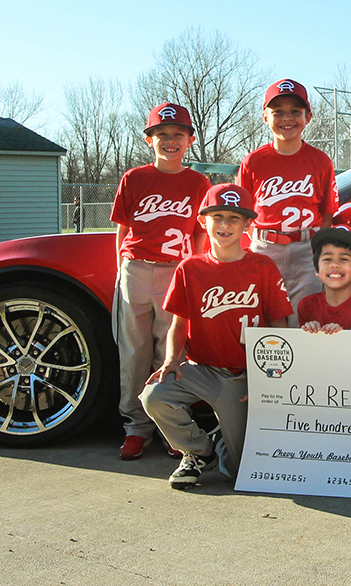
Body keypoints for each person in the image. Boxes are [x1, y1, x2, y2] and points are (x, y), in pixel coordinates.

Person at [140, 183, 293, 490]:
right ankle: (198, 451)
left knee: (240, 475)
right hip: (203, 369)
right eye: (218, 216)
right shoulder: (190, 268)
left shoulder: (262, 265)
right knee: (154, 396)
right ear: (202, 221)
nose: (225, 224)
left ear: (248, 224)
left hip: (244, 375)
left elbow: (279, 325)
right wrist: (171, 359)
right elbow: (178, 325)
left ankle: (224, 438)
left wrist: (269, 378)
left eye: (234, 218)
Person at [109, 102, 212, 461]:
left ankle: (170, 425)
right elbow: (122, 229)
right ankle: (136, 427)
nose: (170, 141)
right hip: (136, 268)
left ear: (190, 140)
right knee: (133, 353)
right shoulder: (134, 178)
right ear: (149, 139)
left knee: (171, 352)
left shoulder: (199, 182)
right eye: (162, 135)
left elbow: (201, 233)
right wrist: (120, 268)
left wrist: (194, 270)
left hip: (176, 271)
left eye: (178, 135)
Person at [237, 79, 339, 320]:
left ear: (308, 117)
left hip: (306, 248)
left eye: (295, 111)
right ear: (265, 117)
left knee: (303, 319)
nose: (287, 118)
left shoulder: (320, 161)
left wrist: (318, 250)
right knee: (259, 317)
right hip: (265, 247)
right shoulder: (253, 161)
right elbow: (243, 214)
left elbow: (327, 213)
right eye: (278, 112)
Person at [298, 225, 351, 333]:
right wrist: (311, 330)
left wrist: (342, 336)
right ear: (316, 270)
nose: (334, 265)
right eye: (327, 259)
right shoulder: (307, 305)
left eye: (344, 259)